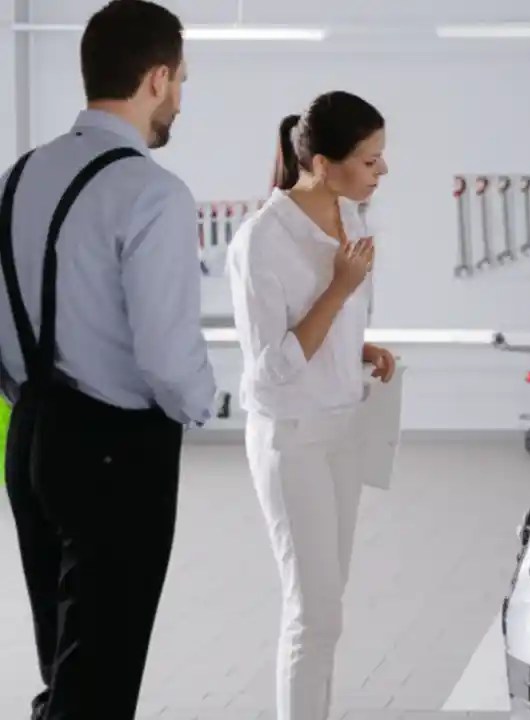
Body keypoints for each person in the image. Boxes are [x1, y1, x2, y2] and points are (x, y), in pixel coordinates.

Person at [0, 1, 216, 717]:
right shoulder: (154, 192)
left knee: (63, 658)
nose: (179, 98)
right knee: (100, 675)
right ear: (156, 78)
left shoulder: (20, 176)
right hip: (118, 454)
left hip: (30, 433)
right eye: (180, 80)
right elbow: (167, 354)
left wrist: (25, 394)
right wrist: (200, 405)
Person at [226, 91, 393, 720]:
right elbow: (268, 373)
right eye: (371, 161)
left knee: (330, 609)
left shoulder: (356, 220)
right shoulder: (261, 241)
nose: (381, 172)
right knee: (312, 613)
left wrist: (357, 345)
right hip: (290, 438)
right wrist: (339, 292)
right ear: (323, 164)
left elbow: (320, 331)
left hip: (343, 428)